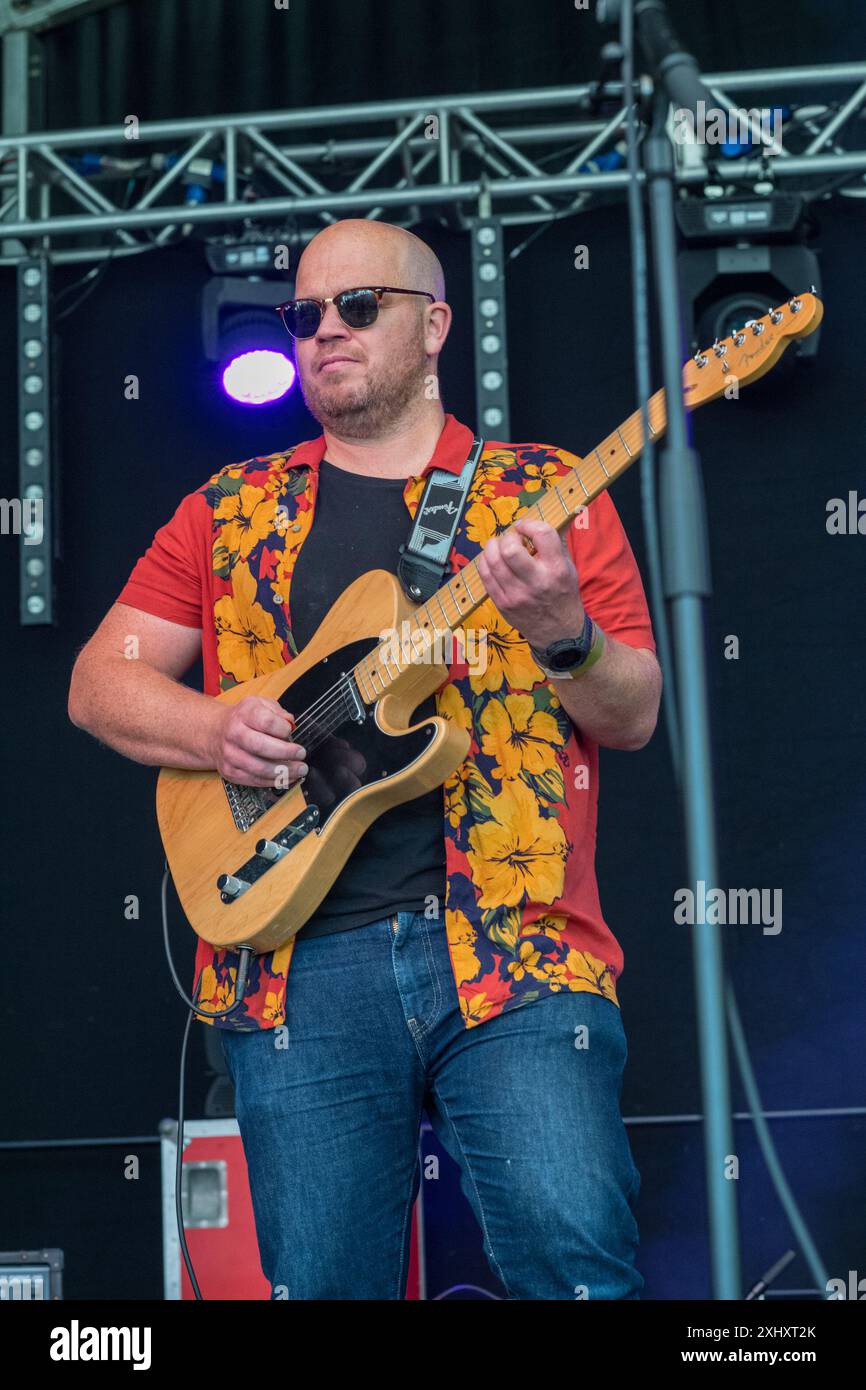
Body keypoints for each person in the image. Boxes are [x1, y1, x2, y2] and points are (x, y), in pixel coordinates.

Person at [68, 218, 662, 1300]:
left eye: (356, 307)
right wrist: (211, 729)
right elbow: (97, 683)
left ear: (434, 324)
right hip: (296, 966)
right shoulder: (229, 509)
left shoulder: (542, 492)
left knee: (574, 1260)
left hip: (514, 951)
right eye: (302, 316)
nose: (323, 332)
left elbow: (630, 714)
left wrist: (565, 632)